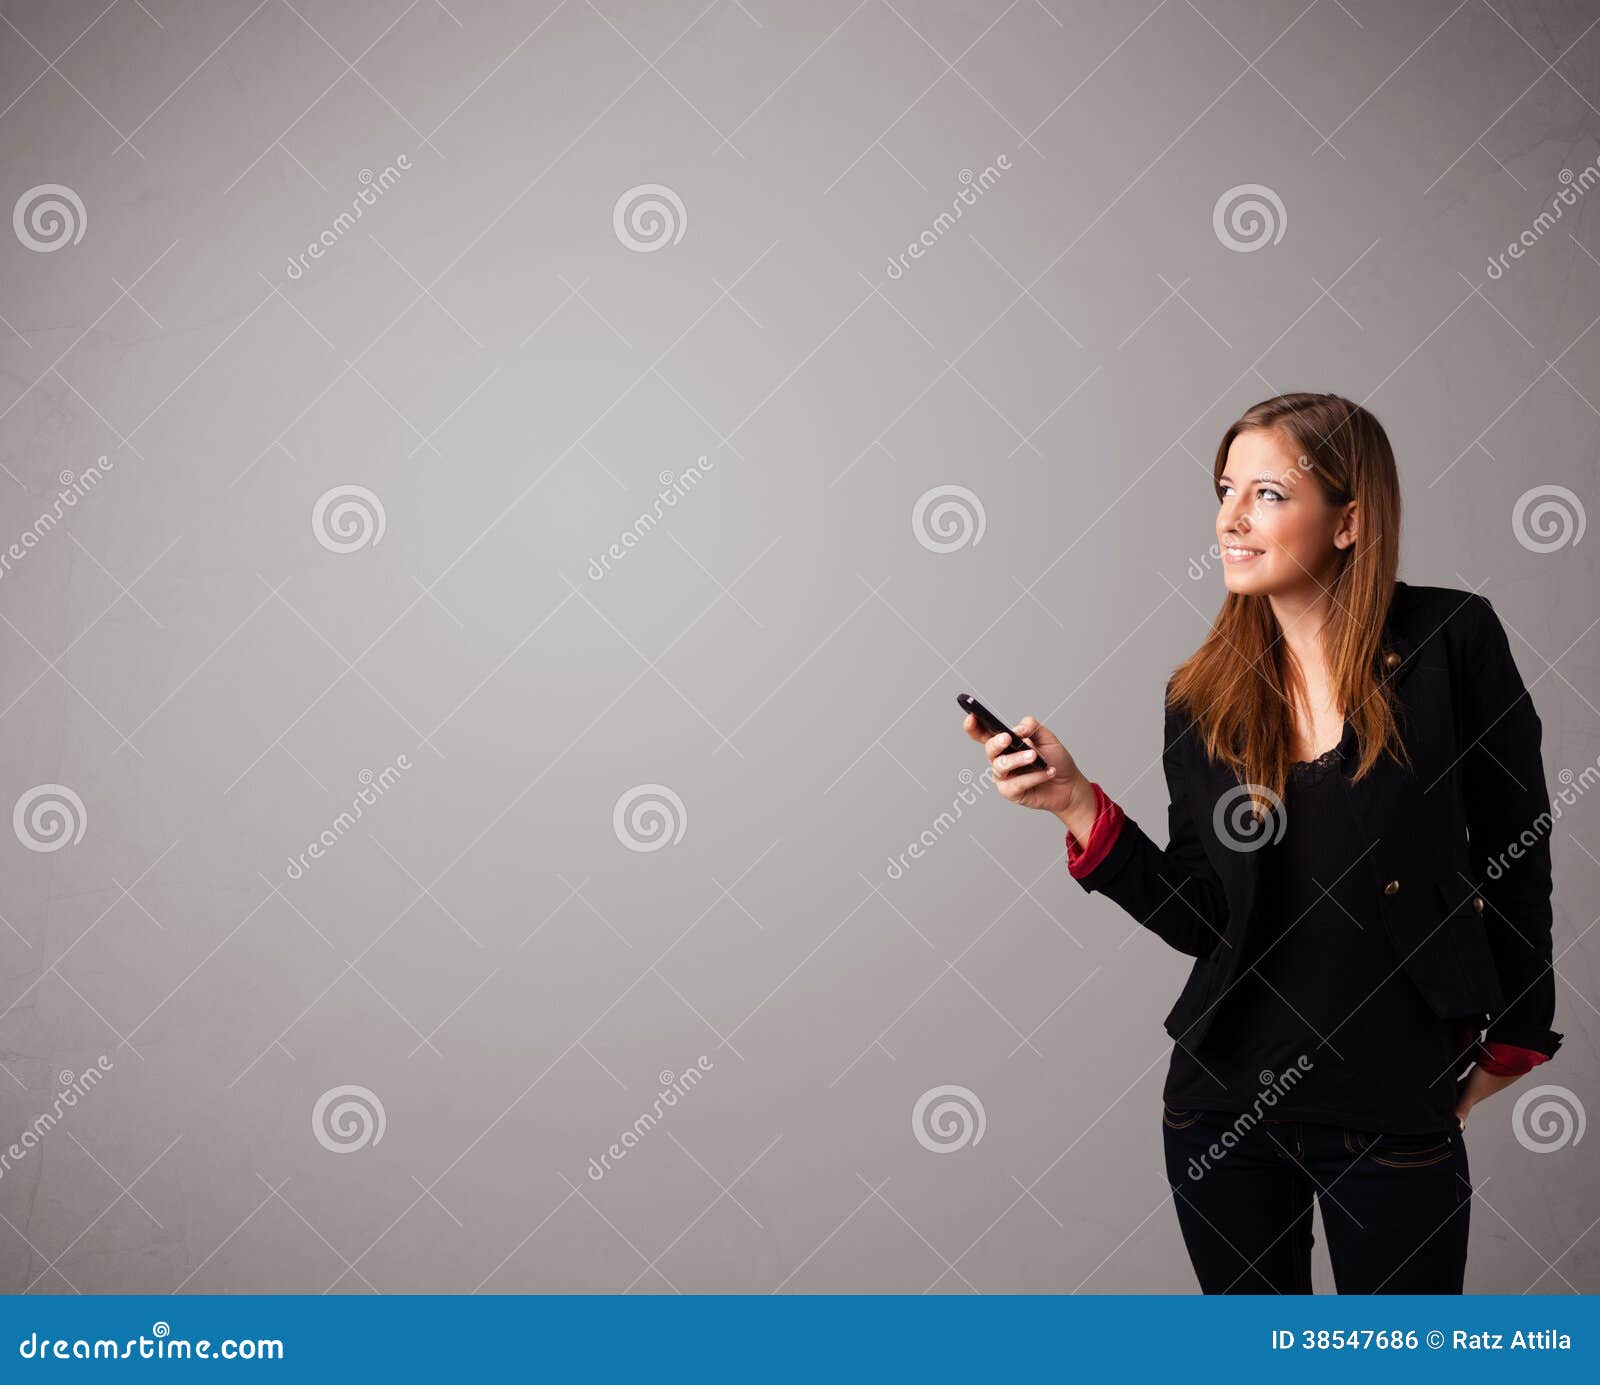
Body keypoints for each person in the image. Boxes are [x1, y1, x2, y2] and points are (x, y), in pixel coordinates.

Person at [962, 392, 1561, 1294]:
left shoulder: (1450, 640)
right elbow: (1205, 915)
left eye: (1269, 493)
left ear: (1350, 520)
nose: (1230, 518)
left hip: (1393, 1102)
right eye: (1224, 488)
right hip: (1221, 1108)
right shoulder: (1198, 696)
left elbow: (1520, 848)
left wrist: (1513, 1037)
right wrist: (1076, 806)